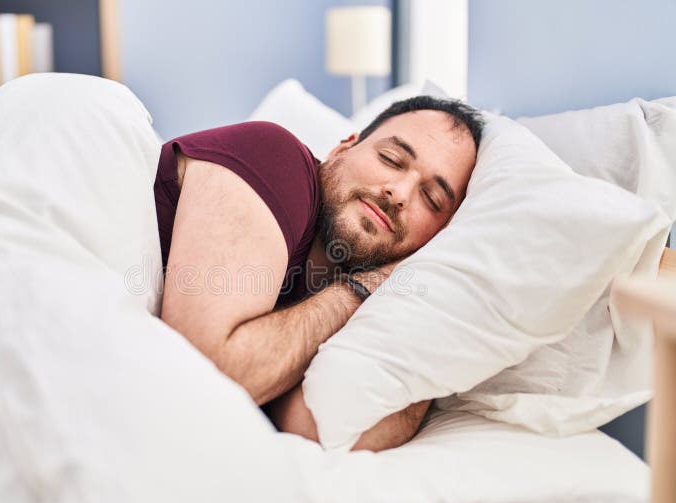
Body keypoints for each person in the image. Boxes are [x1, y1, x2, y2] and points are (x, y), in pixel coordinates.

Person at [155, 96, 484, 451]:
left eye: (432, 199)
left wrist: (430, 286)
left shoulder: (370, 301)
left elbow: (317, 427)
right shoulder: (274, 157)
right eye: (391, 159)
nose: (399, 193)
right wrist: (358, 290)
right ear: (343, 148)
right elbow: (200, 378)